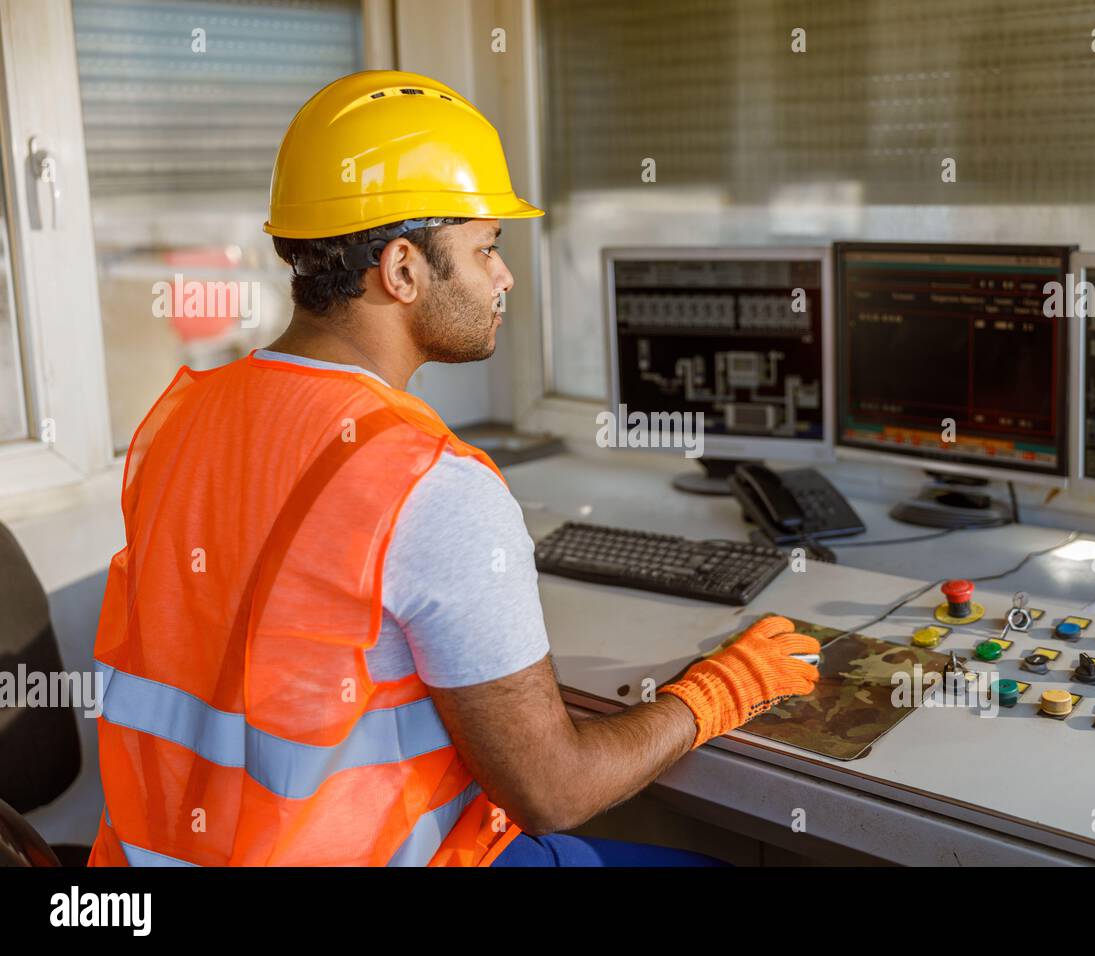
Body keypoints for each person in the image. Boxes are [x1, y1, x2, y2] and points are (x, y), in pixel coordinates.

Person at [88, 70, 820, 868]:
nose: (503, 277)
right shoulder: (428, 479)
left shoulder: (183, 417)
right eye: (486, 248)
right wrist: (719, 692)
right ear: (403, 269)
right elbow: (553, 794)